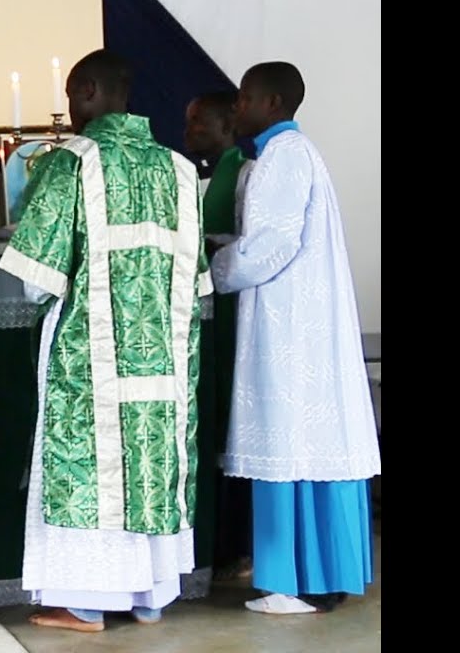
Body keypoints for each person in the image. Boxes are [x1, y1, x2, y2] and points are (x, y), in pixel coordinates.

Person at [0, 49, 208, 633]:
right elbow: (199, 282)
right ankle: (150, 595)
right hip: (165, 359)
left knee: (91, 465)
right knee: (150, 463)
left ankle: (86, 600)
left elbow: (35, 281)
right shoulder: (180, 170)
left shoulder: (73, 162)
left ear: (89, 90)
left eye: (72, 95)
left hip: (91, 360)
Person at [211, 61, 380, 614]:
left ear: (273, 103)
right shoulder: (294, 153)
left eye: (244, 98)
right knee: (309, 442)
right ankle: (320, 577)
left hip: (289, 329)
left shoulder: (282, 157)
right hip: (303, 320)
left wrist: (210, 269)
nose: (237, 107)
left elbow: (269, 247)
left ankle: (296, 583)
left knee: (289, 442)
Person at [183, 91, 254, 587]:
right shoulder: (204, 177)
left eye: (199, 123)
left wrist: (209, 246)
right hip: (210, 316)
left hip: (233, 315)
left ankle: (237, 545)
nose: (190, 133)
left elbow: (249, 243)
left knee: (232, 422)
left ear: (227, 124)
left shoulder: (246, 174)